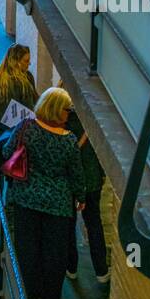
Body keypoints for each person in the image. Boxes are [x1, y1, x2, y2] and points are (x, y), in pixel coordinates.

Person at [0, 87, 86, 299]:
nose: (70, 113)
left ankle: (27, 290)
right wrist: (80, 197)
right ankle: (50, 293)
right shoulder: (69, 141)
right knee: (54, 251)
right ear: (58, 110)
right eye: (68, 109)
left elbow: (7, 152)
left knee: (27, 247)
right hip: (57, 204)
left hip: (26, 197)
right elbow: (76, 173)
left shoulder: (26, 128)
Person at [64, 104, 110, 284]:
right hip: (92, 180)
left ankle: (71, 267)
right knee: (94, 224)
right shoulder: (94, 122)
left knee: (69, 224)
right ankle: (101, 271)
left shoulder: (66, 122)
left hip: (70, 182)